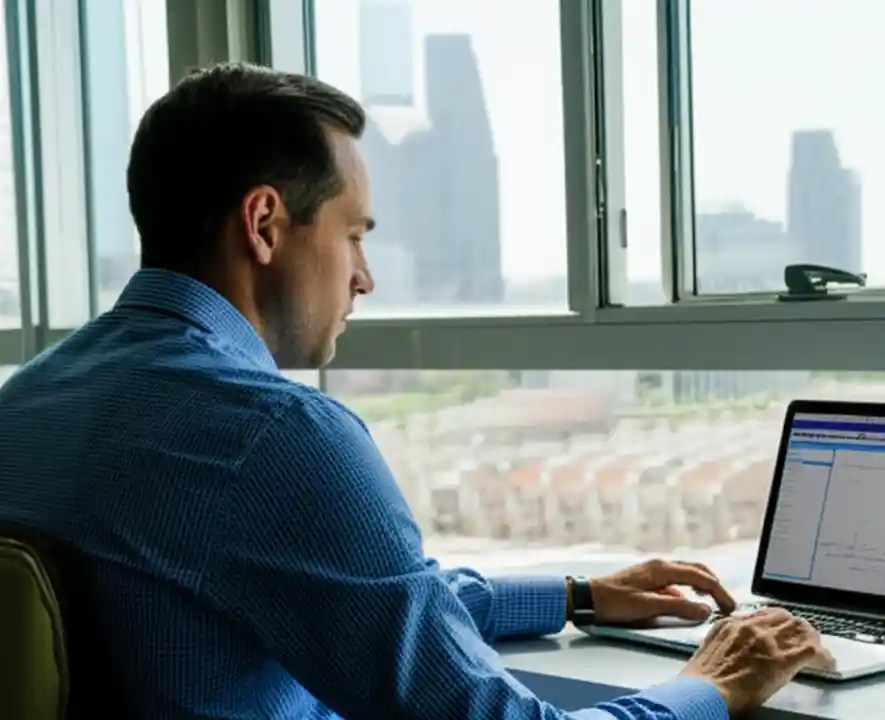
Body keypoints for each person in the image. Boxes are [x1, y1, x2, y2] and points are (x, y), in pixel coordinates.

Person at [0, 63, 831, 718]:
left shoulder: (26, 402)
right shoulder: (273, 434)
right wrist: (711, 687)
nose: (365, 276)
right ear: (263, 225)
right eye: (354, 234)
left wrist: (576, 595)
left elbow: (361, 596)